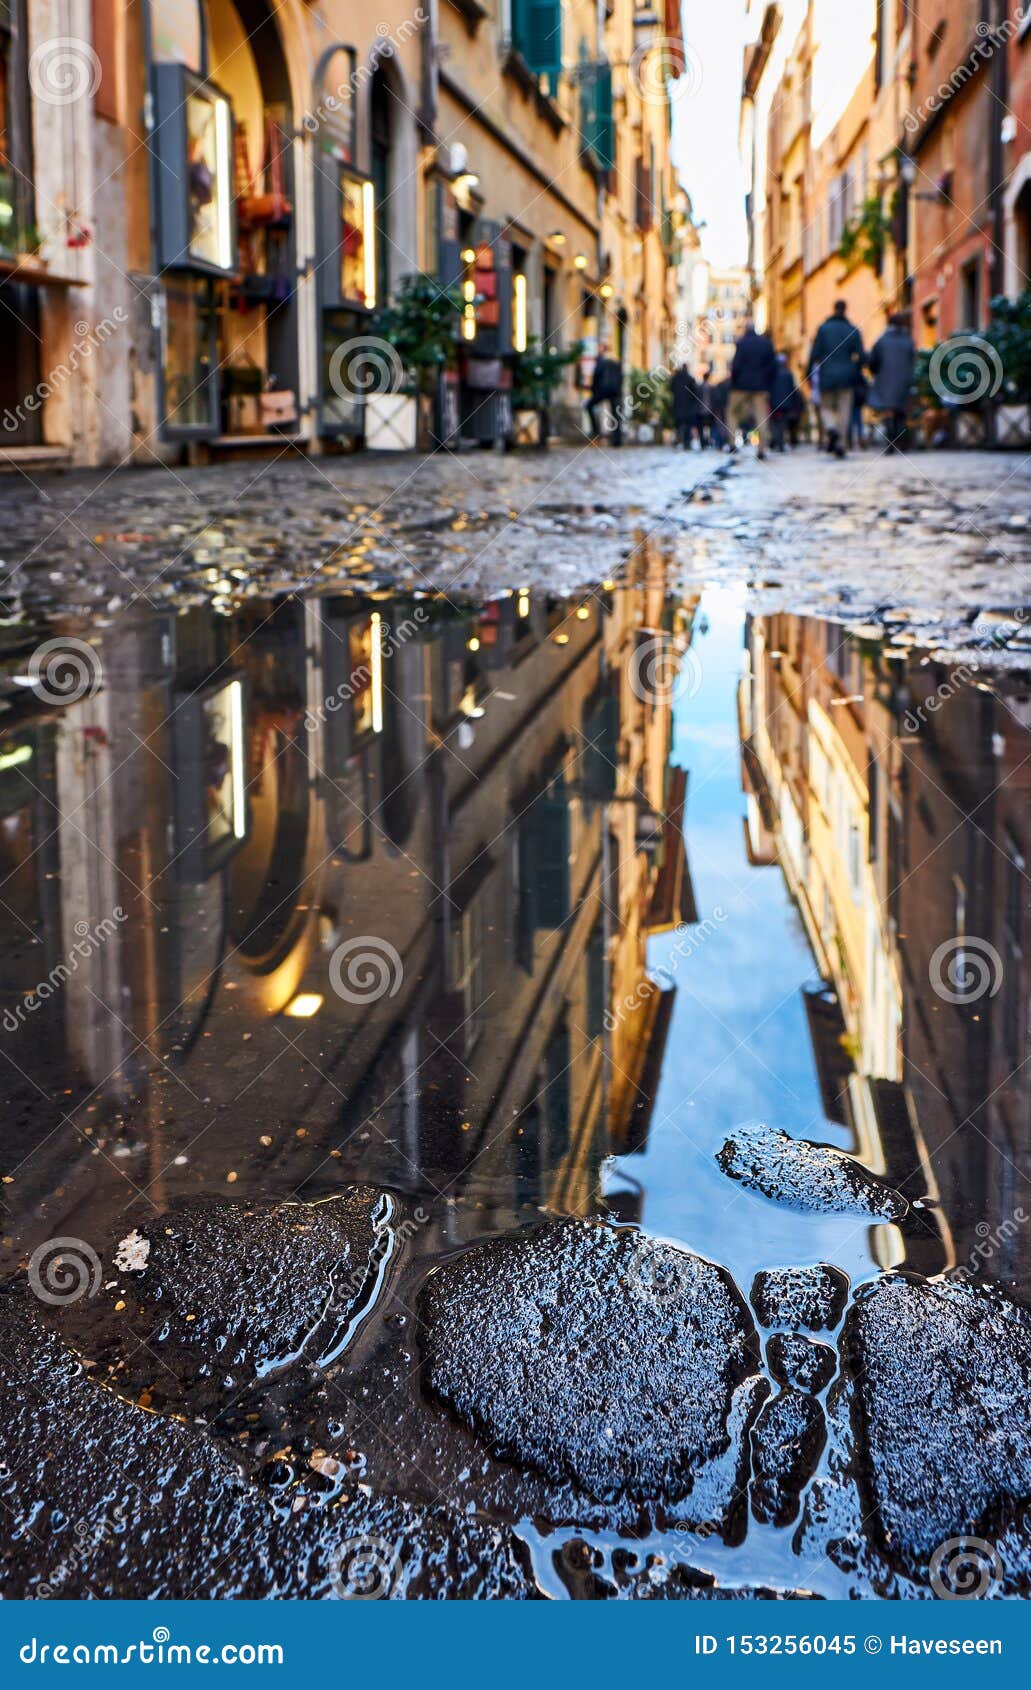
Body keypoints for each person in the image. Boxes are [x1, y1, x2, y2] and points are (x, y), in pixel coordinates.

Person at [806, 299, 865, 458]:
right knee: (844, 410)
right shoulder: (852, 330)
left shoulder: (823, 329)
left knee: (826, 407)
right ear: (845, 310)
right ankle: (841, 444)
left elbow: (814, 354)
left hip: (827, 375)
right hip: (847, 377)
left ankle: (831, 428)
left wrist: (808, 374)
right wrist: (855, 370)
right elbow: (861, 356)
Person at [727, 320, 777, 458]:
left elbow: (735, 366)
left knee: (732, 413)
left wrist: (734, 384)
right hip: (760, 386)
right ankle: (762, 448)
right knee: (761, 416)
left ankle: (732, 443)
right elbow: (773, 367)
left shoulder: (741, 343)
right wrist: (767, 383)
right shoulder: (766, 344)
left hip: (740, 386)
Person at [868, 312, 916, 452]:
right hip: (904, 380)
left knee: (888, 411)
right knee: (900, 411)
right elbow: (913, 359)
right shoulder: (907, 340)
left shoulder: (882, 340)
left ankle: (891, 442)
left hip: (885, 380)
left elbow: (872, 361)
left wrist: (875, 372)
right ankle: (901, 442)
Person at [587, 348, 623, 446]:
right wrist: (619, 392)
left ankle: (596, 431)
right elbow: (621, 377)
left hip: (603, 390)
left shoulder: (601, 362)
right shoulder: (616, 362)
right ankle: (617, 440)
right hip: (615, 391)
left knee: (589, 406)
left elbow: (596, 376)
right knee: (615, 415)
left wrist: (594, 392)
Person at [769, 353, 803, 451]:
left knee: (775, 423)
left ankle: (777, 440)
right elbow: (792, 389)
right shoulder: (788, 373)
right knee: (782, 423)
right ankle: (780, 442)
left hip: (774, 403)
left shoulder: (772, 373)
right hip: (785, 403)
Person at [671, 363, 701, 448]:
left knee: (678, 425)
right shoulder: (690, 378)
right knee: (687, 425)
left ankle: (678, 440)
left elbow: (671, 389)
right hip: (688, 407)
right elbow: (695, 393)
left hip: (678, 405)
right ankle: (686, 442)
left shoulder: (676, 378)